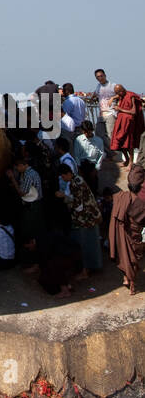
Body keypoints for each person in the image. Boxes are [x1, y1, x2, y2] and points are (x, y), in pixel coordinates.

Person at [55, 165, 102, 274]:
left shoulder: (75, 183)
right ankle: (92, 266)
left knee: (84, 243)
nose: (63, 179)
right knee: (91, 242)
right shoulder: (77, 180)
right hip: (90, 217)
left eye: (63, 176)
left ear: (68, 174)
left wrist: (64, 197)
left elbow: (78, 204)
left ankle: (86, 269)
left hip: (84, 219)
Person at [107, 164, 145, 294]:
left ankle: (126, 278)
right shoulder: (140, 203)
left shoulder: (120, 197)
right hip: (134, 236)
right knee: (133, 258)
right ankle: (132, 284)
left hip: (121, 234)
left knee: (123, 255)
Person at [21, 231, 83, 297]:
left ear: (31, 242)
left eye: (28, 247)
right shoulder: (40, 239)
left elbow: (46, 259)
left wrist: (36, 270)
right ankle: (67, 286)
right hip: (68, 252)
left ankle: (65, 291)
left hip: (71, 253)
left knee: (54, 266)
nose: (29, 249)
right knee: (50, 269)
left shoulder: (43, 243)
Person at [6, 152, 44, 239]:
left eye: (18, 166)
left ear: (23, 165)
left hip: (33, 206)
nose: (17, 169)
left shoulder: (28, 175)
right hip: (34, 205)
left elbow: (22, 192)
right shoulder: (29, 173)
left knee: (30, 230)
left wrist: (12, 178)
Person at [110, 85, 144, 168]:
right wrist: (113, 98)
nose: (118, 94)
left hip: (128, 123)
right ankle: (127, 159)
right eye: (117, 93)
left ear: (122, 90)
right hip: (120, 122)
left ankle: (131, 162)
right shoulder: (122, 95)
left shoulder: (131, 96)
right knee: (119, 140)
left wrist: (120, 109)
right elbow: (119, 95)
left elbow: (133, 112)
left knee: (128, 142)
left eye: (119, 92)